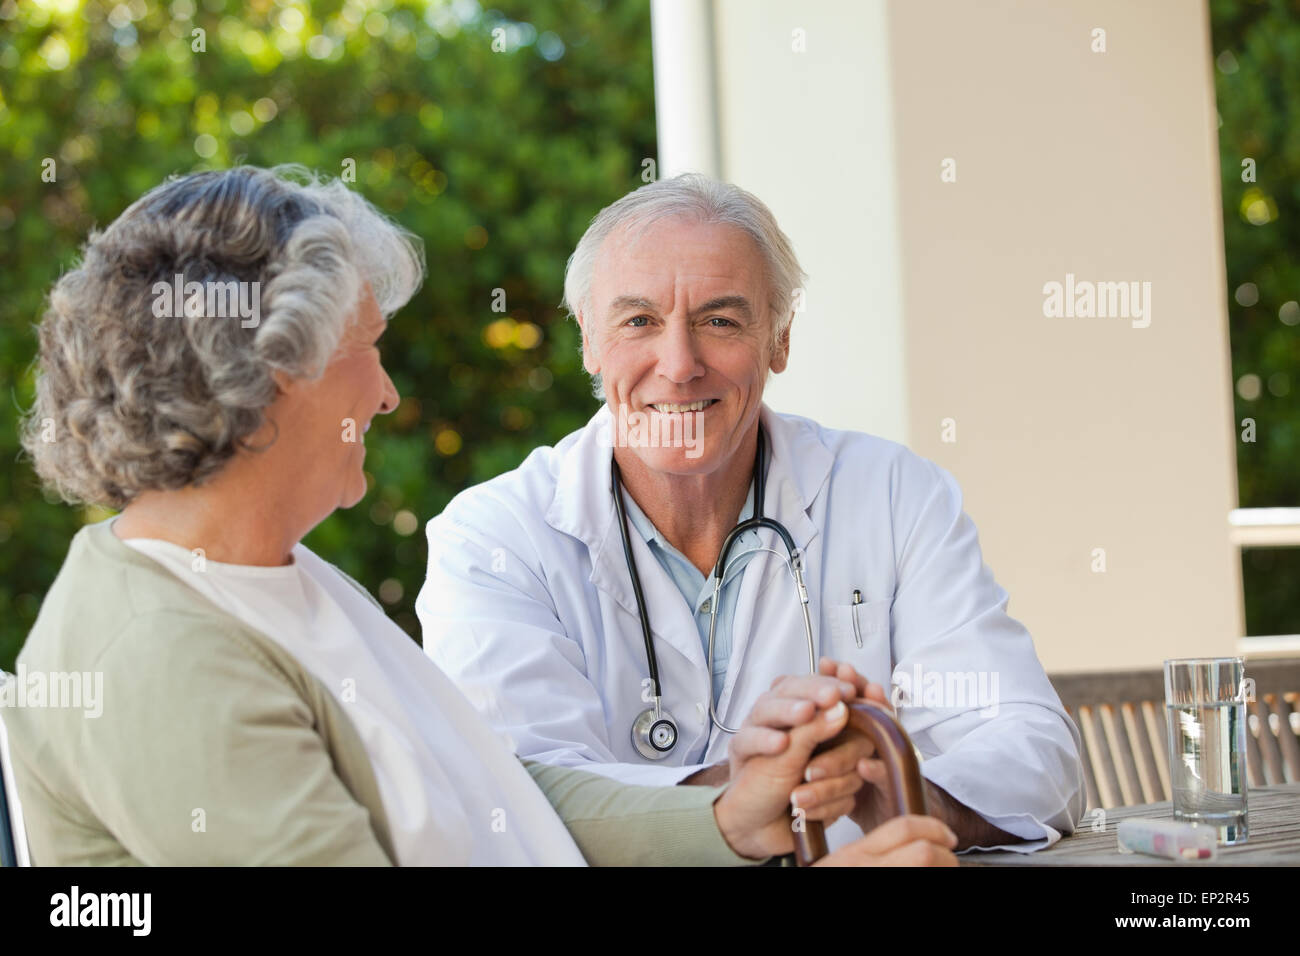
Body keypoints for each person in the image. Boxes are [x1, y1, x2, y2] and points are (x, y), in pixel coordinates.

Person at [5, 165, 958, 866]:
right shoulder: (162, 654)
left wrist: (725, 818)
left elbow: (490, 791)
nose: (385, 394)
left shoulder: (280, 581)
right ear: (267, 377)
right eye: (366, 350)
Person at [417, 173, 1086, 855]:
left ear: (780, 339)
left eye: (720, 321)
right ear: (590, 338)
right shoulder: (492, 537)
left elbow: (1037, 751)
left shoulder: (893, 493)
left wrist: (893, 787)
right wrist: (751, 790)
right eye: (639, 320)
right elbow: (511, 797)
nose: (679, 365)